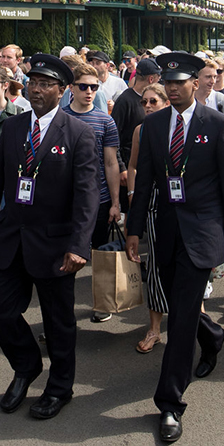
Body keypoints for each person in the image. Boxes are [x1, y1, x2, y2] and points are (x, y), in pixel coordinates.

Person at [0, 53, 98, 421]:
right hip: (10, 238)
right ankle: (26, 366)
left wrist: (79, 246)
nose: (37, 89)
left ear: (63, 90)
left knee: (58, 323)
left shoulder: (78, 133)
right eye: (33, 83)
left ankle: (60, 387)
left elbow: (87, 195)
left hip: (55, 244)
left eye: (46, 84)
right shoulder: (13, 128)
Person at [125, 51, 224, 443]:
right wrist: (134, 229)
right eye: (168, 83)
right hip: (165, 229)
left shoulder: (218, 123)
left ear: (196, 83)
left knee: (179, 319)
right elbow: (145, 180)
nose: (173, 89)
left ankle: (170, 403)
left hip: (204, 230)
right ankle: (211, 336)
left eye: (180, 83)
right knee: (181, 307)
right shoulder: (153, 124)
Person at [64, 61, 123, 322]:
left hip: (98, 199)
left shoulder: (105, 120)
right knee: (65, 257)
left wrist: (115, 202)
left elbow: (111, 163)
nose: (89, 91)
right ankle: (62, 313)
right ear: (71, 88)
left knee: (100, 255)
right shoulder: (60, 117)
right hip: (65, 200)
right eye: (83, 86)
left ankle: (102, 303)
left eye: (94, 87)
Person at [126, 84, 171, 353]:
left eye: (153, 101)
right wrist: (133, 194)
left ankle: (196, 321)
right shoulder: (140, 130)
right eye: (144, 102)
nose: (148, 106)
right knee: (154, 264)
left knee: (189, 263)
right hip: (152, 201)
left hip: (182, 204)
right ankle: (154, 328)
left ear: (166, 103)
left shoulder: (180, 127)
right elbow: (132, 165)